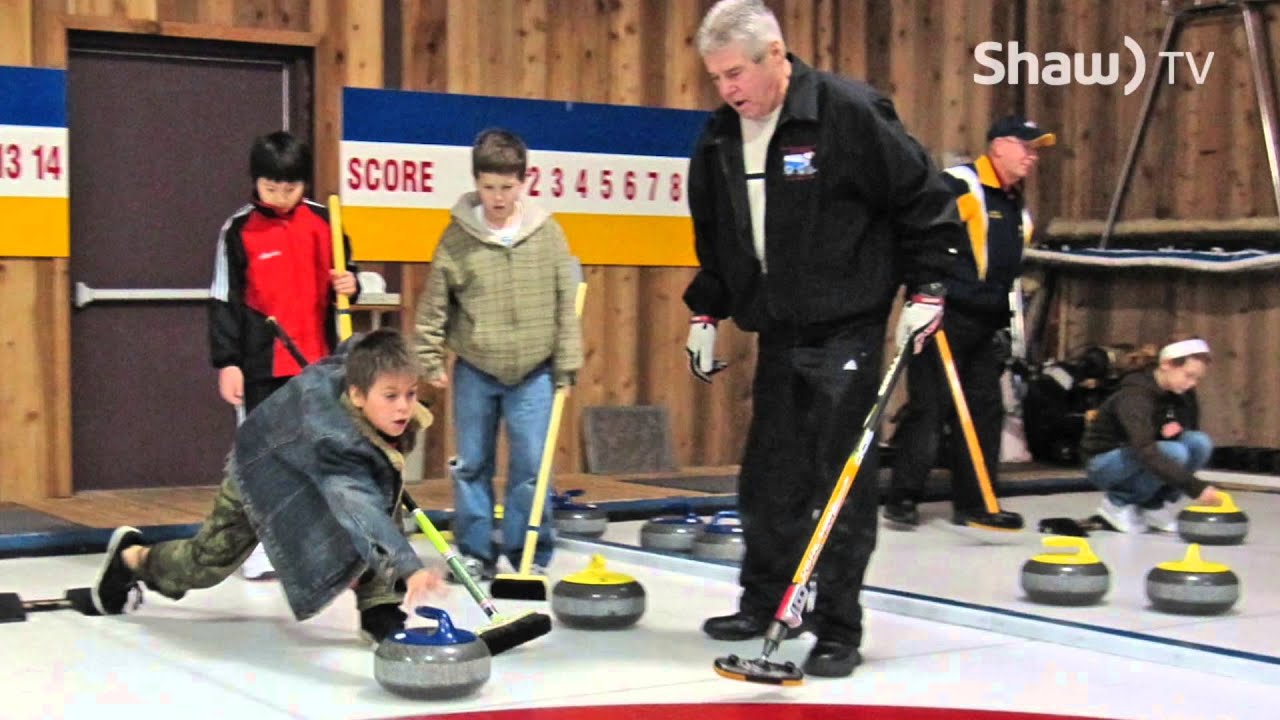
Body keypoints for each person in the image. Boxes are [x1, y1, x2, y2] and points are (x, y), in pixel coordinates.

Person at [682, 0, 964, 678]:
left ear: (776, 55)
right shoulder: (721, 137)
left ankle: (838, 626)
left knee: (838, 484)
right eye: (716, 77)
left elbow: (925, 199)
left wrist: (928, 288)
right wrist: (706, 312)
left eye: (736, 73)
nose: (728, 90)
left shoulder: (847, 113)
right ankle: (767, 604)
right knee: (768, 480)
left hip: (847, 326)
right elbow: (719, 235)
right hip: (778, 329)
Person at [91, 329, 445, 643]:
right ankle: (131, 557)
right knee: (208, 561)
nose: (404, 407)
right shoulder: (334, 440)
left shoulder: (362, 367)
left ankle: (379, 608)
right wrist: (409, 567)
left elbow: (355, 344)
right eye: (390, 396)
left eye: (410, 394)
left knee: (382, 492)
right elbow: (361, 511)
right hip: (264, 468)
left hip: (314, 464)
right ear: (357, 395)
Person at [414, 128, 583, 583]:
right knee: (471, 464)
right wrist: (429, 358)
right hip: (475, 367)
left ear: (523, 182)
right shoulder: (456, 238)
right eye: (489, 187)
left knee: (532, 466)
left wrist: (567, 366)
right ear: (476, 183)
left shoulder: (548, 235)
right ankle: (474, 552)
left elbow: (566, 304)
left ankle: (529, 552)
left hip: (535, 371)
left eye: (507, 187)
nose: (498, 197)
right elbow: (434, 304)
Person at [884, 116, 1055, 528]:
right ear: (998, 146)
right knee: (930, 408)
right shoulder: (961, 185)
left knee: (984, 411)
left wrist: (1006, 325)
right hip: (944, 316)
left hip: (986, 322)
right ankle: (902, 498)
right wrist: (924, 296)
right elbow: (921, 235)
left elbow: (1005, 268)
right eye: (1025, 146)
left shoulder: (1014, 202)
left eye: (1035, 149)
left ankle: (975, 503)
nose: (1032, 156)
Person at [208, 130, 360, 579]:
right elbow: (223, 299)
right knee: (263, 458)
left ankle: (317, 547)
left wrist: (352, 282)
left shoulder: (326, 223)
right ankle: (261, 546)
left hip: (319, 363)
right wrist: (227, 361)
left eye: (289, 187)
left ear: (304, 184)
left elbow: (346, 282)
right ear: (255, 182)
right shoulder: (237, 231)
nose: (279, 196)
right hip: (261, 366)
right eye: (270, 187)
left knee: (320, 456)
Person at [1079, 334, 1223, 533]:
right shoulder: (1134, 395)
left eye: (1197, 378)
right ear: (1166, 364)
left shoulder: (1183, 392)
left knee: (1199, 442)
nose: (1192, 383)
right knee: (1174, 452)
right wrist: (1195, 488)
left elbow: (1187, 429)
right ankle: (1118, 502)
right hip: (1105, 461)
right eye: (1188, 375)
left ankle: (1154, 504)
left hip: (1149, 452)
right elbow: (1145, 449)